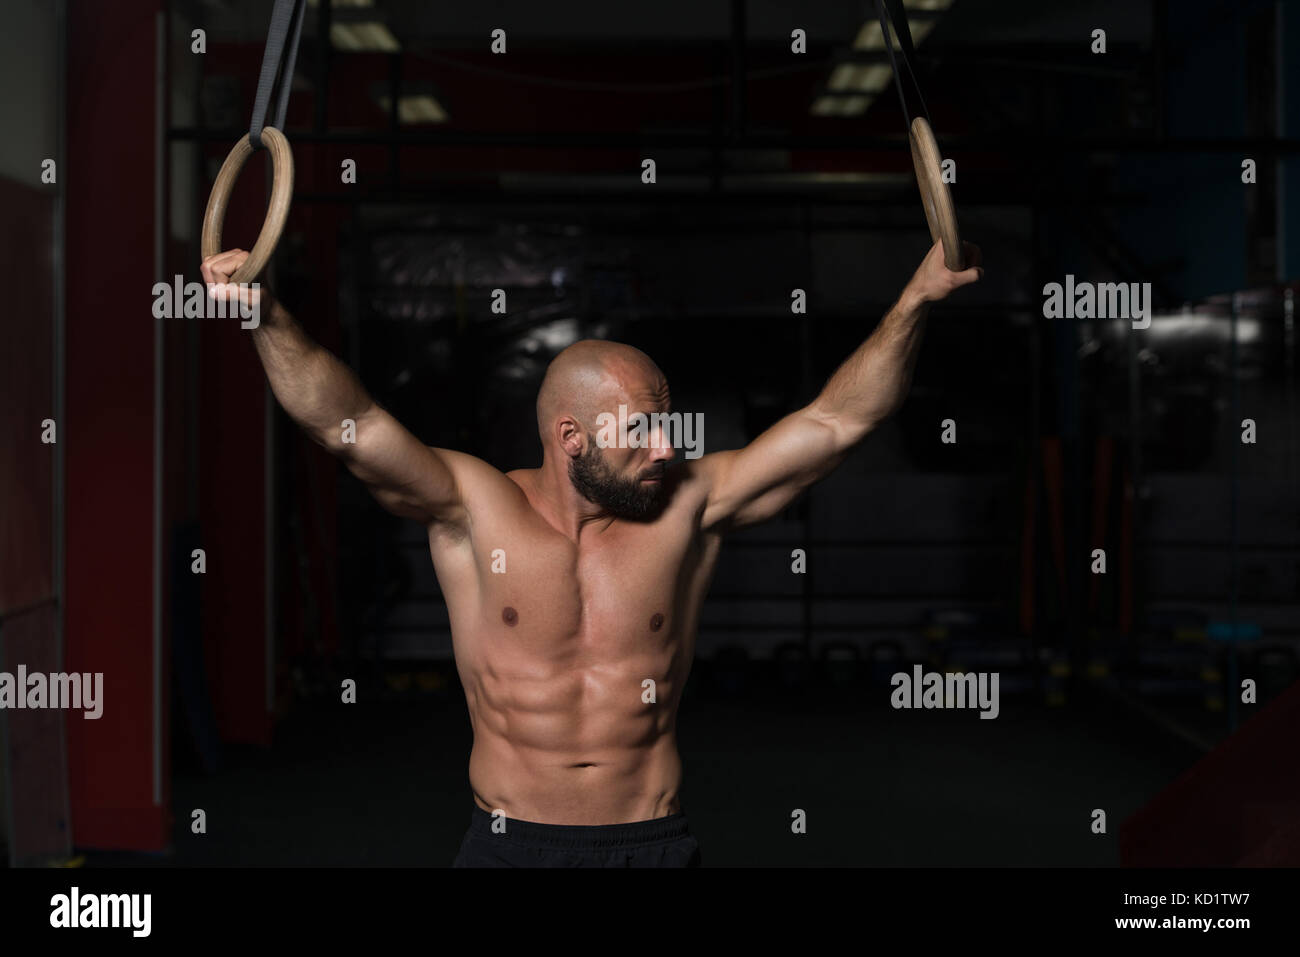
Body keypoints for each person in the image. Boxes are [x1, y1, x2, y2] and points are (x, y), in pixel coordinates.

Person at [201, 239, 983, 867]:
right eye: (642, 427)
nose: (667, 445)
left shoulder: (690, 505)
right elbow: (354, 424)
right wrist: (266, 314)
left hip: (650, 841)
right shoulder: (474, 507)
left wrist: (913, 303)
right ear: (571, 438)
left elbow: (837, 423)